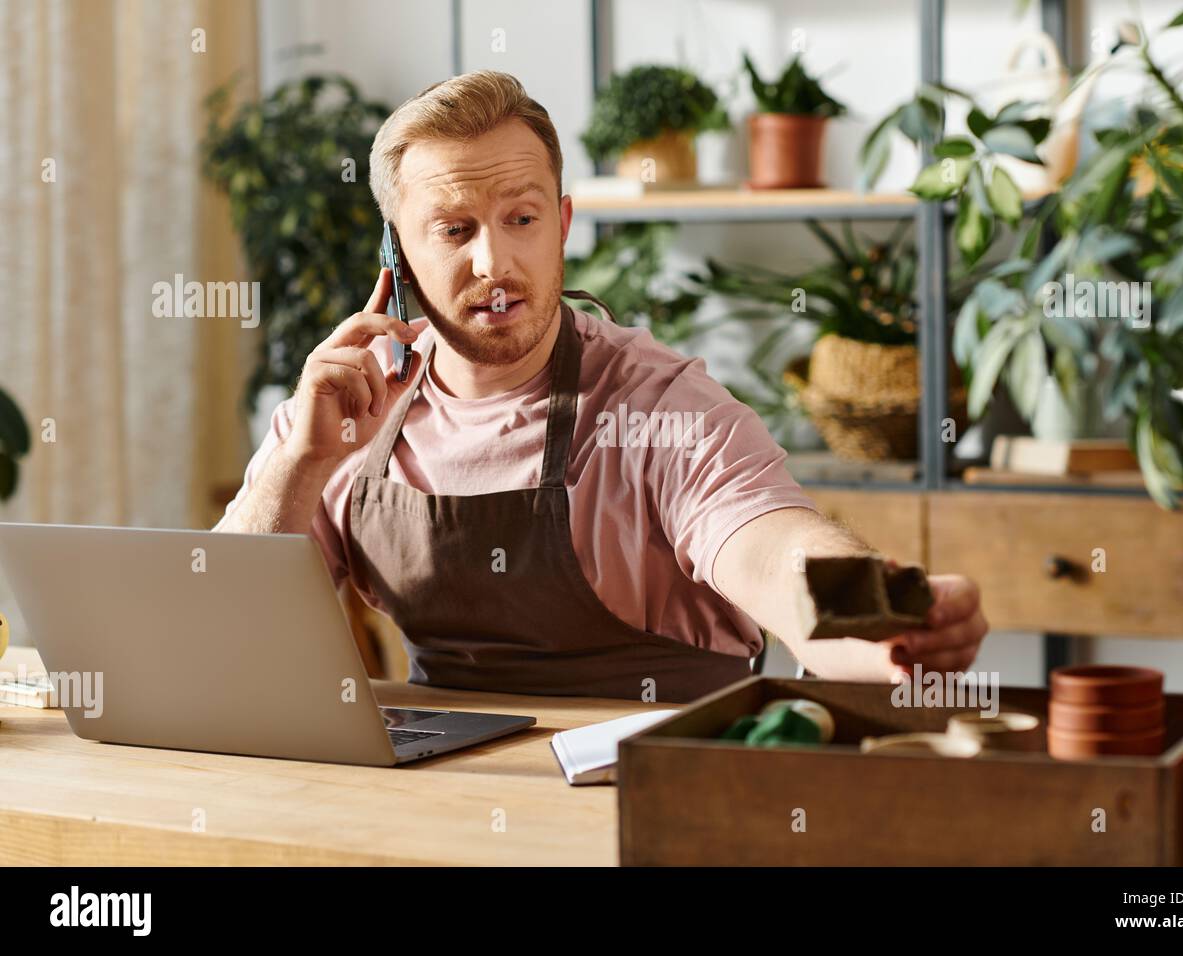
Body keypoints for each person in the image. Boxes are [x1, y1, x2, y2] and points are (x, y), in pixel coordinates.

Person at [215, 70, 987, 702]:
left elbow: (773, 554)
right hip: (441, 793)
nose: (495, 263)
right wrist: (300, 464)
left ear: (563, 224)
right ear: (398, 258)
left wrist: (884, 615)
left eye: (522, 219)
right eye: (455, 230)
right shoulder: (346, 409)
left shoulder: (659, 407)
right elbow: (223, 630)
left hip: (660, 783)